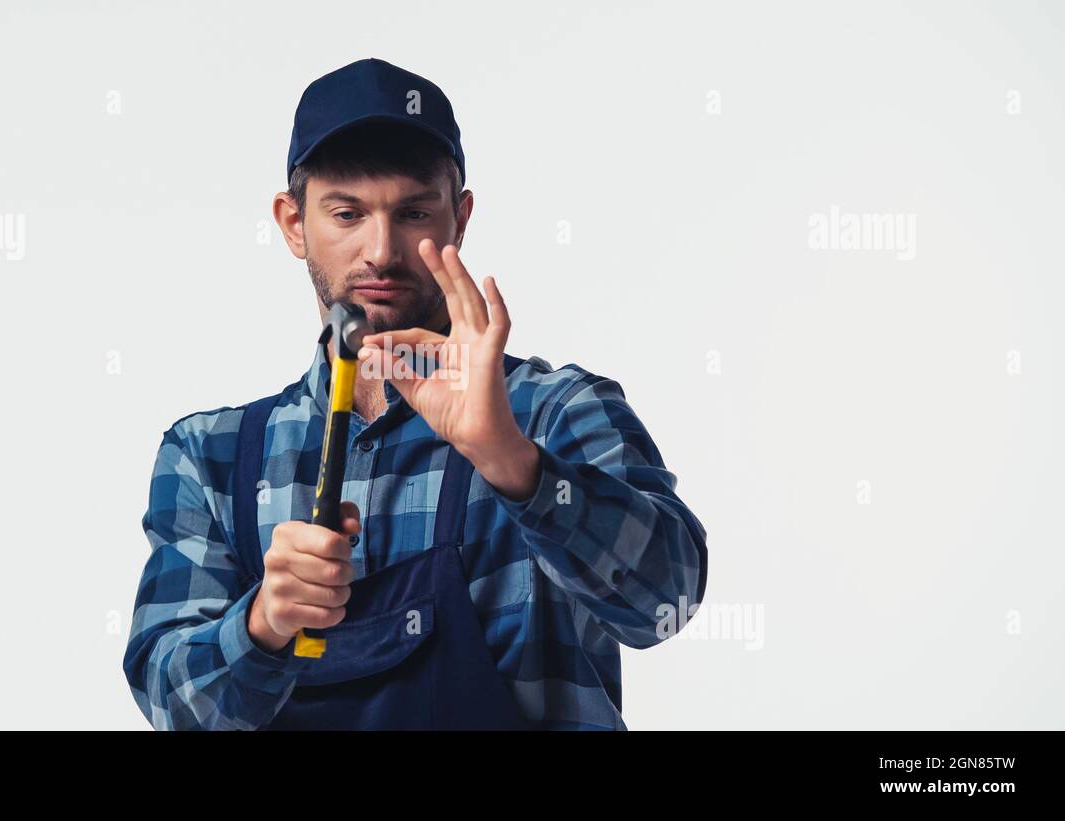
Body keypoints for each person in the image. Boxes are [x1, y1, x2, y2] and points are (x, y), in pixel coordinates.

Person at [122, 57, 708, 730]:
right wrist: (264, 622)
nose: (380, 250)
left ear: (459, 217)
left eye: (413, 211)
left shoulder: (555, 411)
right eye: (347, 213)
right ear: (292, 223)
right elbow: (176, 709)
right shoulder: (212, 457)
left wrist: (514, 463)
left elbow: (669, 599)